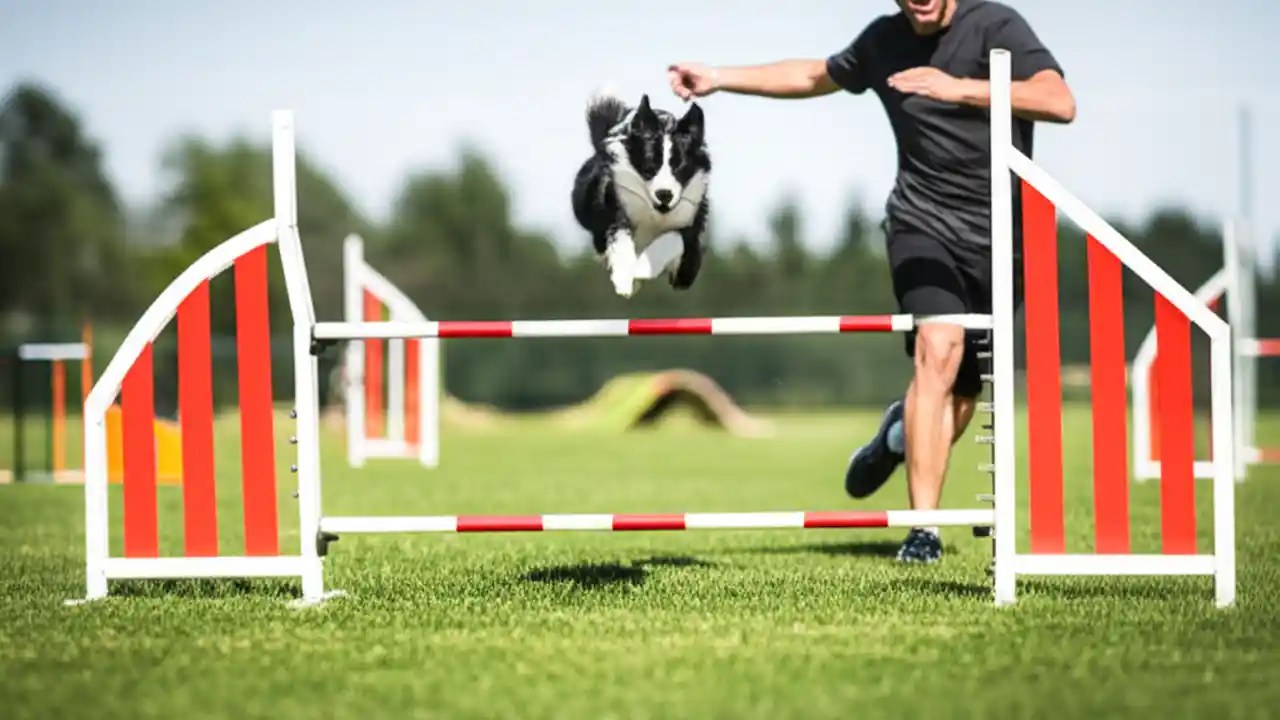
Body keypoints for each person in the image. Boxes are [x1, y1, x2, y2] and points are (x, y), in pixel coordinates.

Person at [667, 0, 1075, 563]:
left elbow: (1059, 102)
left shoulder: (996, 26)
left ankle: (897, 437)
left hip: (1001, 239)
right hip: (921, 225)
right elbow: (814, 74)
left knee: (962, 395)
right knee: (940, 346)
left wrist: (962, 89)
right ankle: (923, 532)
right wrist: (719, 78)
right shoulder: (883, 40)